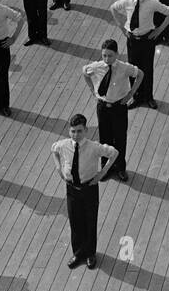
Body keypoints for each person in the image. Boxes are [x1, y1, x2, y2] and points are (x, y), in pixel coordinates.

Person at [51, 114, 119, 269]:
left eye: (79, 131)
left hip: (89, 188)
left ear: (86, 130)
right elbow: (53, 149)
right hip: (71, 189)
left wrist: (102, 173)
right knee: (75, 221)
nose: (76, 135)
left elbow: (114, 153)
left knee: (90, 221)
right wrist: (58, 167)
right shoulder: (64, 145)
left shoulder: (94, 147)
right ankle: (78, 253)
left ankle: (90, 254)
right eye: (73, 131)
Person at [110, 0, 169, 109]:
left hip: (147, 40)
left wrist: (159, 31)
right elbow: (113, 8)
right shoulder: (127, 2)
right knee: (133, 69)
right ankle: (136, 97)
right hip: (132, 40)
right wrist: (122, 27)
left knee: (147, 68)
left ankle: (148, 97)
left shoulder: (152, 3)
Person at [83, 39, 141, 182]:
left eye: (110, 55)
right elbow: (84, 71)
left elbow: (140, 74)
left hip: (118, 107)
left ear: (117, 54)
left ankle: (120, 168)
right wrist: (93, 91)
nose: (107, 59)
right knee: (105, 137)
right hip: (103, 107)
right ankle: (106, 168)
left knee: (120, 138)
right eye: (104, 55)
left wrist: (130, 94)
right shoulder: (97, 67)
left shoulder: (124, 67)